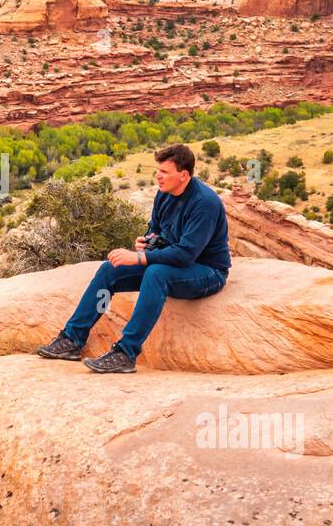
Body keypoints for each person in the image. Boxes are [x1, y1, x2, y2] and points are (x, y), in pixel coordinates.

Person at [36, 143, 231, 373]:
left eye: (165, 172)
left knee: (156, 274)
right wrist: (146, 241)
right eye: (158, 170)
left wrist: (139, 258)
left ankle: (126, 353)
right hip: (175, 265)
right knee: (110, 270)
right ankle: (72, 339)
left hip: (207, 272)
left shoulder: (204, 203)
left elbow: (186, 254)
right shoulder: (164, 194)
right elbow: (156, 228)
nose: (158, 176)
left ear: (184, 175)